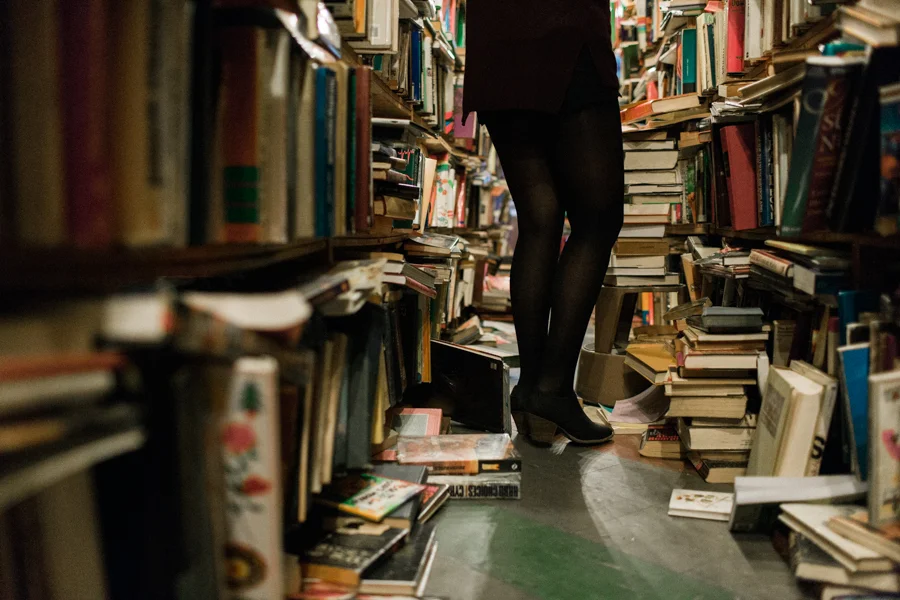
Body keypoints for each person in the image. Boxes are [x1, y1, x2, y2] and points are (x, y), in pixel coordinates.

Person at [463, 1, 623, 445]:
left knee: (540, 218)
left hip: (497, 46)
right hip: (563, 35)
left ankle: (531, 389)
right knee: (598, 220)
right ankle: (551, 390)